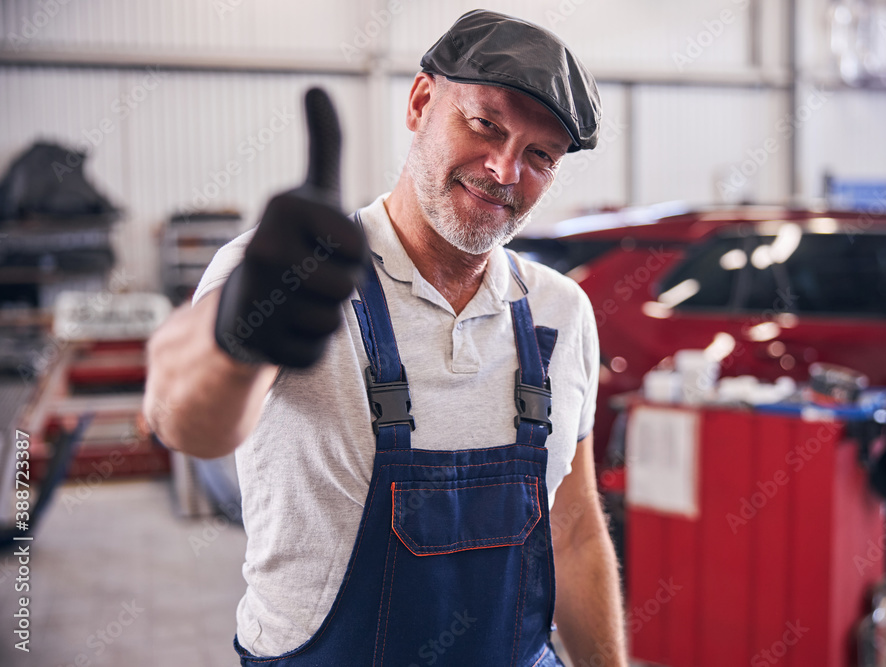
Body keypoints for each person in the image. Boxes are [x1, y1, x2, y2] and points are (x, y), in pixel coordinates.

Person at [144, 9, 626, 666]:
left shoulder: (561, 312)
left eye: (540, 155)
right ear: (423, 101)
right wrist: (238, 339)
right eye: (486, 124)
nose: (505, 169)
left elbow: (571, 528)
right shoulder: (291, 276)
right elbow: (184, 424)